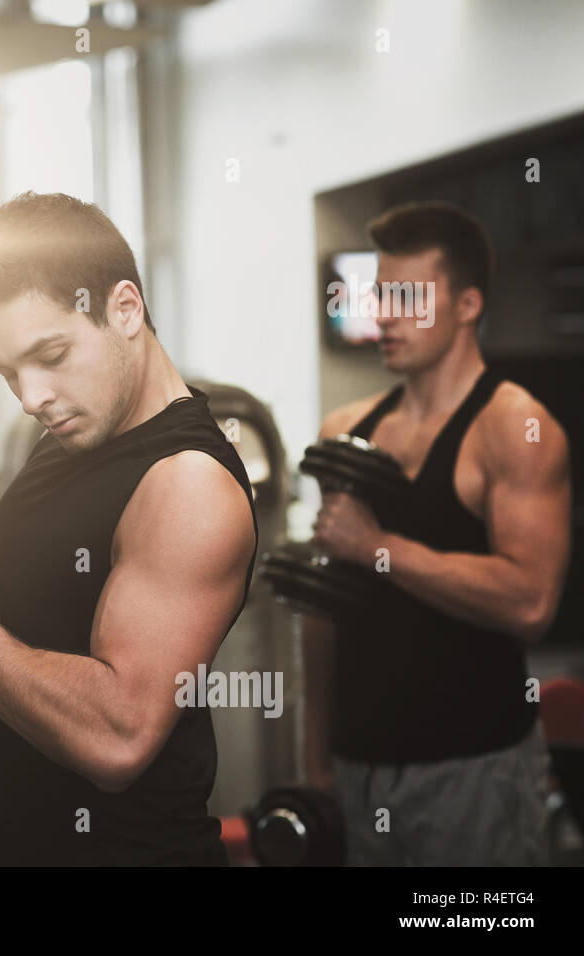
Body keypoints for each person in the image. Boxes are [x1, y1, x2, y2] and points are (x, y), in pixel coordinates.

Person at [0, 192, 257, 865]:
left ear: (125, 309)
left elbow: (118, 738)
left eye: (52, 354)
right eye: (8, 372)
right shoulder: (75, 433)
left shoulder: (187, 483)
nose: (32, 396)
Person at [305, 200, 571, 865]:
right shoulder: (346, 428)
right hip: (359, 763)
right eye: (378, 294)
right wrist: (315, 757)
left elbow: (531, 602)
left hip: (475, 769)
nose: (384, 313)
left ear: (467, 304)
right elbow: (326, 612)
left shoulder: (513, 427)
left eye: (406, 296)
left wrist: (378, 549)